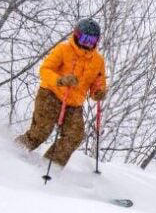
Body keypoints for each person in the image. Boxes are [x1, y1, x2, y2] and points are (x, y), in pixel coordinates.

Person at [16, 18, 107, 167]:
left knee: (75, 135)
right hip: (50, 94)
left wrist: (98, 92)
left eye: (92, 40)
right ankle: (14, 151)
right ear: (77, 35)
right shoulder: (63, 49)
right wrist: (61, 80)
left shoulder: (98, 61)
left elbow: (98, 82)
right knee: (41, 131)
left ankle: (50, 165)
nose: (88, 43)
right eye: (85, 38)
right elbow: (45, 69)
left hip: (74, 103)